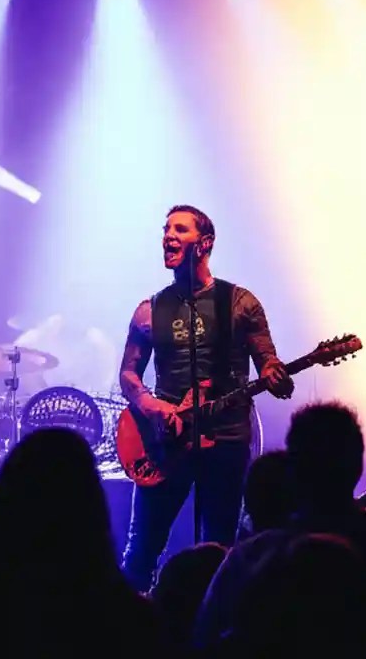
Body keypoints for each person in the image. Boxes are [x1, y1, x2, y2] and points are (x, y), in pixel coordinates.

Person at [119, 205, 294, 592]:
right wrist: (153, 407)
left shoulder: (240, 303)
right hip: (164, 442)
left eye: (180, 229)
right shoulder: (150, 309)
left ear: (205, 242)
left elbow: (268, 362)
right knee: (140, 552)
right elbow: (129, 374)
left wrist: (273, 375)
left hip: (226, 440)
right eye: (165, 229)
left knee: (219, 554)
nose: (168, 235)